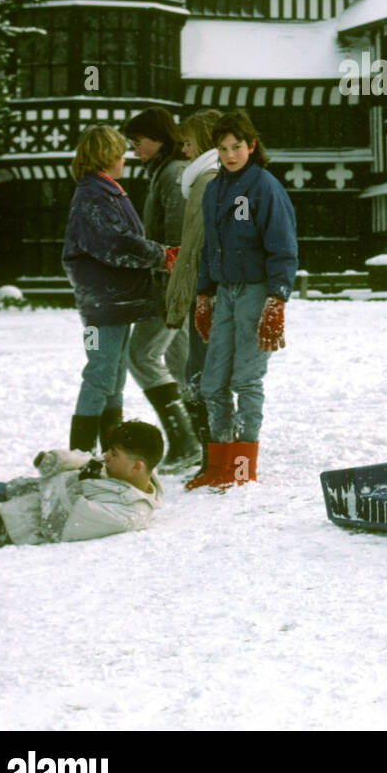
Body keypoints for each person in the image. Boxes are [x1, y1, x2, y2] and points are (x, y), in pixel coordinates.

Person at [186, 111, 298, 490]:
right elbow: (207, 248)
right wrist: (204, 293)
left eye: (237, 147)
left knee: (247, 380)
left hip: (256, 289)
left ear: (252, 145)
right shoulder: (215, 189)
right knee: (213, 383)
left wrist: (276, 299)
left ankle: (241, 466)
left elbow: (283, 248)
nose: (230, 154)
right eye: (222, 148)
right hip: (224, 292)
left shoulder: (265, 187)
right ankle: (218, 461)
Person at [61, 125, 175, 455]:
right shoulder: (95, 195)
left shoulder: (102, 192)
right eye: (120, 153)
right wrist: (160, 254)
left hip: (111, 302)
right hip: (103, 303)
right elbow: (116, 243)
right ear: (108, 155)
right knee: (100, 373)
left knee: (112, 376)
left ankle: (109, 453)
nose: (125, 159)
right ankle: (81, 456)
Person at [123, 107, 198, 471]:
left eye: (139, 142)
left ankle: (184, 441)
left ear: (159, 138)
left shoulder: (172, 175)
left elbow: (177, 241)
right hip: (172, 283)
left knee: (142, 355)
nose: (134, 150)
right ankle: (200, 438)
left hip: (170, 285)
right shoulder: (164, 173)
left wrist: (170, 290)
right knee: (178, 362)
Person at [0, 420, 164, 553]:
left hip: (4, 522)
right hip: (7, 491)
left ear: (137, 467)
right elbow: (85, 461)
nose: (106, 456)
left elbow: (58, 523)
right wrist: (60, 462)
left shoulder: (127, 513)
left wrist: (68, 479)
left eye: (114, 454)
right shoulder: (121, 469)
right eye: (109, 450)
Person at [164, 110, 221, 460]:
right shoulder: (207, 179)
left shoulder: (206, 180)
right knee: (199, 371)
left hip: (207, 291)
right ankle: (211, 451)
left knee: (199, 373)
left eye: (188, 143)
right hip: (206, 289)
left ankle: (211, 453)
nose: (184, 151)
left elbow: (200, 244)